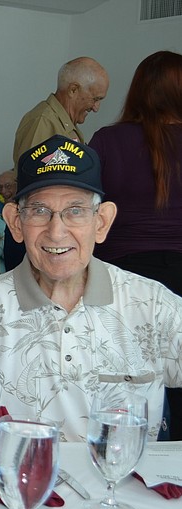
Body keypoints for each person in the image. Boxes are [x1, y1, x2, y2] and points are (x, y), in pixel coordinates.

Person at [0, 135, 182, 461]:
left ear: (101, 223)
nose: (56, 232)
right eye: (40, 210)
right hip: (19, 502)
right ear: (16, 223)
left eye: (75, 210)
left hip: (121, 504)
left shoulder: (152, 305)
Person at [89, 50, 182, 439]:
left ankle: (120, 465)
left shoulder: (109, 140)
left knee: (123, 380)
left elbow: (85, 209)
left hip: (121, 275)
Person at [13, 57, 109, 167]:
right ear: (73, 90)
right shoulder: (43, 122)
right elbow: (32, 175)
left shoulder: (63, 123)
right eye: (95, 99)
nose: (96, 108)